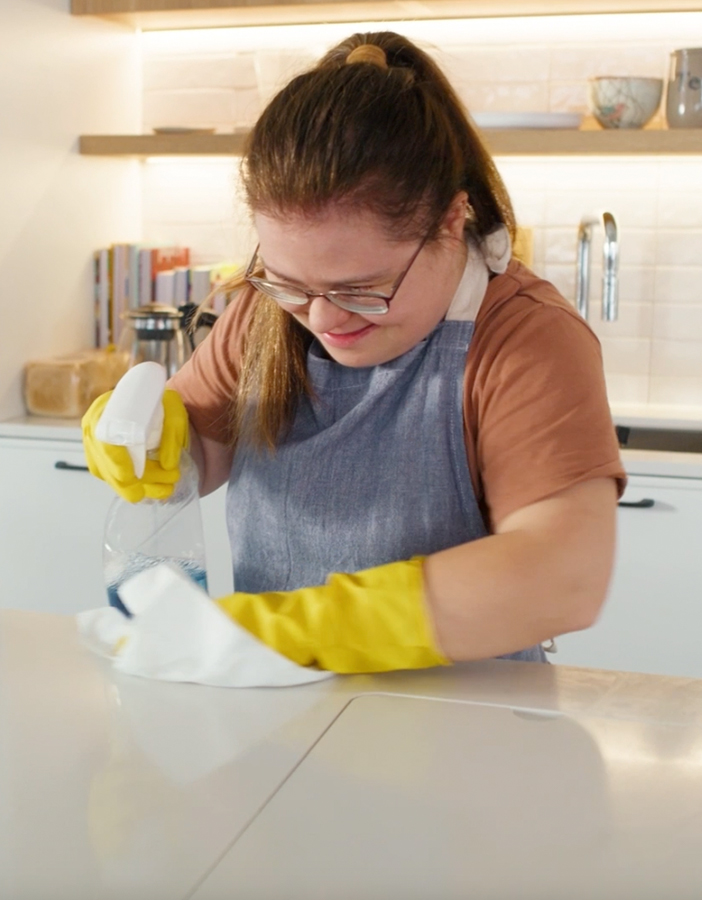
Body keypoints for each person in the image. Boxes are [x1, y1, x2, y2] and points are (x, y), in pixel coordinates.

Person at [84, 32, 626, 674]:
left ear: (453, 222)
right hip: (283, 704)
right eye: (290, 283)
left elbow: (561, 576)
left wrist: (308, 629)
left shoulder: (524, 339)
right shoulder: (264, 317)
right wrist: (150, 442)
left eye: (361, 290)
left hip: (472, 731)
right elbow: (204, 446)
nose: (322, 317)